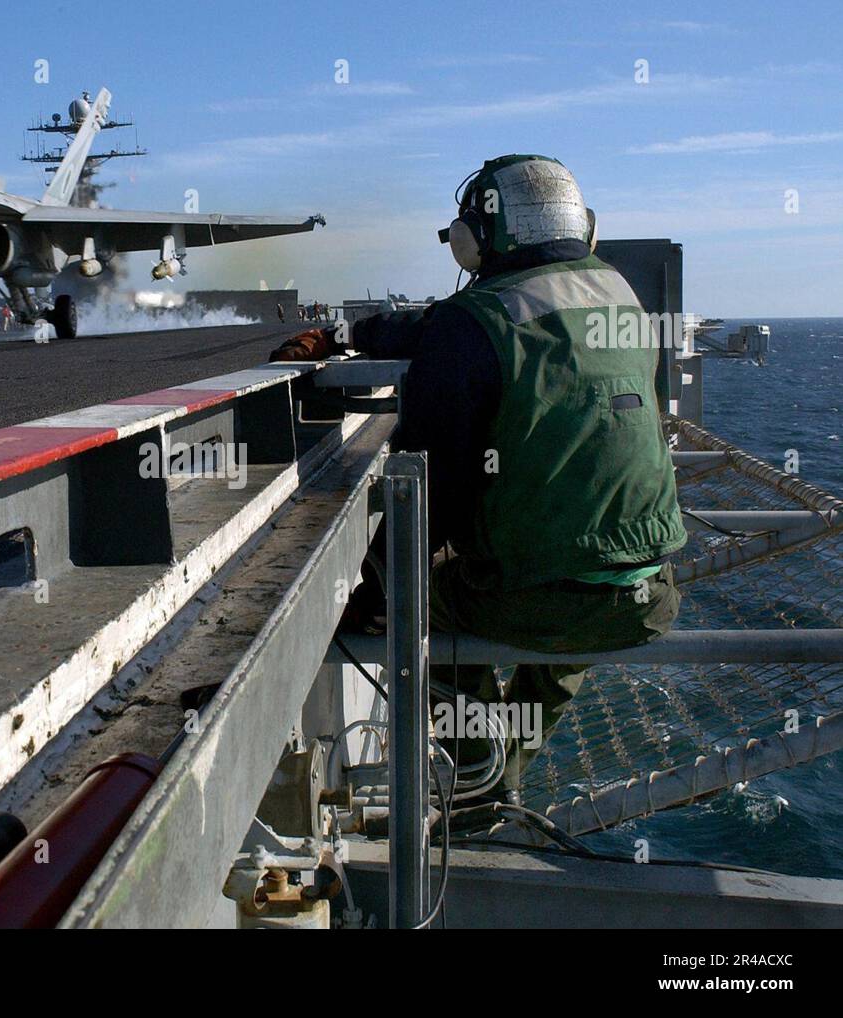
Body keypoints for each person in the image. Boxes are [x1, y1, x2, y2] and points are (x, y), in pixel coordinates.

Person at [271, 154, 686, 797]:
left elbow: (429, 492)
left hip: (537, 597)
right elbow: (448, 328)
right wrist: (354, 331)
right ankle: (500, 783)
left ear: (477, 237)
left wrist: (376, 594)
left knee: (421, 604)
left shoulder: (477, 320)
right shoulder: (619, 297)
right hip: (646, 597)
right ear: (583, 226)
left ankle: (468, 765)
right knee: (557, 639)